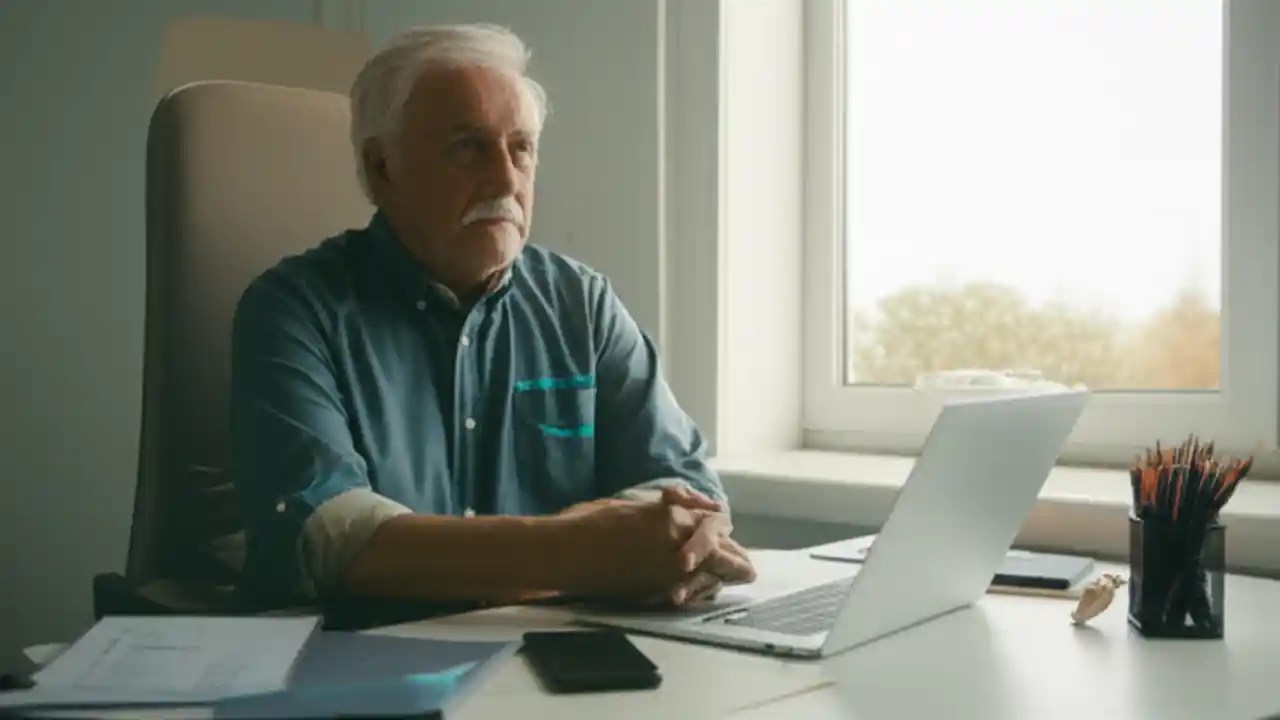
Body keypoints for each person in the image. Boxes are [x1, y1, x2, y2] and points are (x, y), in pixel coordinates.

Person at [229, 24, 755, 610]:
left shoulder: (581, 305)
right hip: (360, 668)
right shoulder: (294, 310)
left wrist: (660, 542)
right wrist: (581, 550)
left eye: (521, 147)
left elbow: (691, 495)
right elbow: (332, 540)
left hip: (550, 656)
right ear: (381, 168)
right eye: (467, 147)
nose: (506, 179)